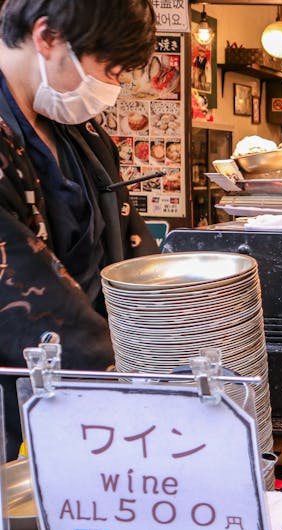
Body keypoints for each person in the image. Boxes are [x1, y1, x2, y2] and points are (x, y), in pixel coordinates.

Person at [0, 0, 159, 458]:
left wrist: (167, 335)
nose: (113, 86)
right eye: (108, 69)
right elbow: (20, 297)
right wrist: (127, 379)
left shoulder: (79, 133)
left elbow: (128, 247)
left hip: (94, 396)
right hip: (23, 400)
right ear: (47, 38)